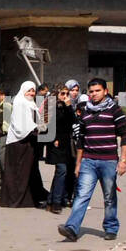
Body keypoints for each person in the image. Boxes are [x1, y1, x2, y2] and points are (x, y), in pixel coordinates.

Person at [59, 78, 126, 242]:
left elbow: (125, 135)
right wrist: (78, 164)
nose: (94, 94)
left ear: (105, 91)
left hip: (109, 161)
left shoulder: (115, 110)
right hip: (88, 161)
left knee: (109, 196)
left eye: (97, 91)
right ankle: (72, 227)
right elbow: (81, 139)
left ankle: (111, 227)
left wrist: (123, 160)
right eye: (91, 91)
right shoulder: (85, 110)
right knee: (82, 195)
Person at [0, 80, 47, 208]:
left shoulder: (31, 104)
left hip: (28, 142)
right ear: (23, 91)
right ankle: (15, 199)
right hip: (18, 143)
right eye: (29, 90)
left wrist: (39, 127)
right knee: (18, 173)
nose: (31, 93)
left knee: (28, 172)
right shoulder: (20, 103)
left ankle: (30, 198)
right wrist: (35, 129)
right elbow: (20, 125)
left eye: (33, 90)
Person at [45, 81, 78, 213]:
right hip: (55, 142)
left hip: (66, 143)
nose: (65, 96)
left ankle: (51, 200)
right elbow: (48, 124)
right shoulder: (51, 105)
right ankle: (56, 202)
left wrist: (69, 106)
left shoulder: (67, 106)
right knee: (61, 170)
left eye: (66, 93)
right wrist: (54, 139)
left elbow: (73, 121)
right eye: (62, 93)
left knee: (61, 172)